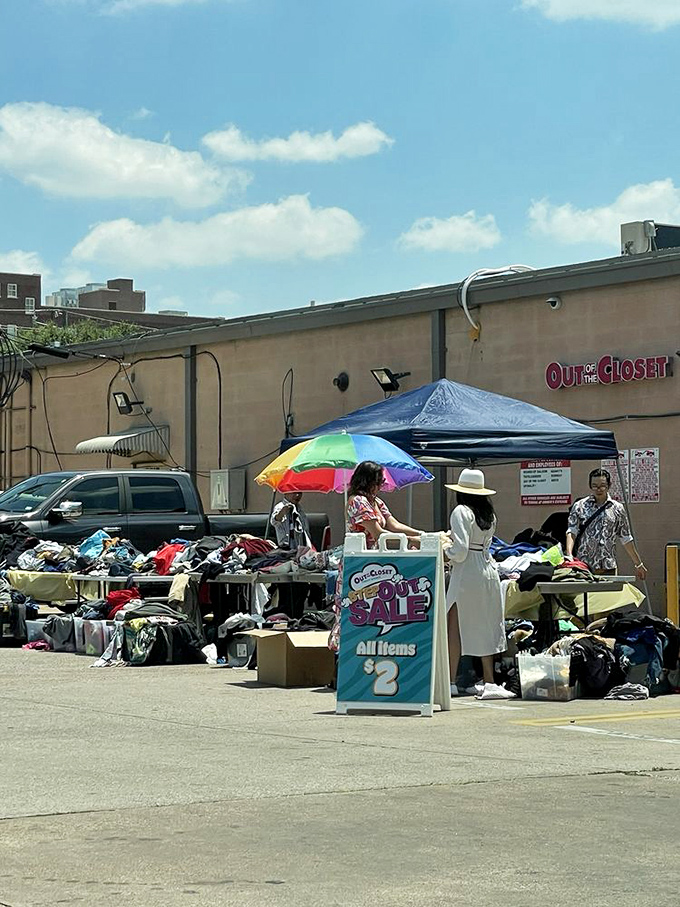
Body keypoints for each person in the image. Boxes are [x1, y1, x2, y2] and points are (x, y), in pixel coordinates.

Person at [328, 460, 424, 652]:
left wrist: (422, 534)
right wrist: (413, 540)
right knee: (354, 609)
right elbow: (377, 532)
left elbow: (394, 525)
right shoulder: (357, 501)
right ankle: (343, 655)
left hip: (375, 563)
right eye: (379, 481)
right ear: (368, 481)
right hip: (358, 563)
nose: (381, 485)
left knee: (374, 612)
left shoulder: (376, 502)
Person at [444, 468, 511, 700]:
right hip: (488, 569)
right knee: (485, 625)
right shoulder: (489, 514)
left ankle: (451, 681)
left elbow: (460, 550)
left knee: (454, 625)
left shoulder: (461, 511)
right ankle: (489, 680)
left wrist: (445, 549)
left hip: (467, 572)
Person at [565, 468, 647, 580]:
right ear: (590, 486)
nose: (598, 489)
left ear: (609, 485)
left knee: (609, 592)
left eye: (602, 486)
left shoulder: (617, 508)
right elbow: (572, 531)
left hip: (608, 567)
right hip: (584, 567)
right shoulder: (580, 506)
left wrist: (638, 564)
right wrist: (569, 555)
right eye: (594, 486)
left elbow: (626, 538)